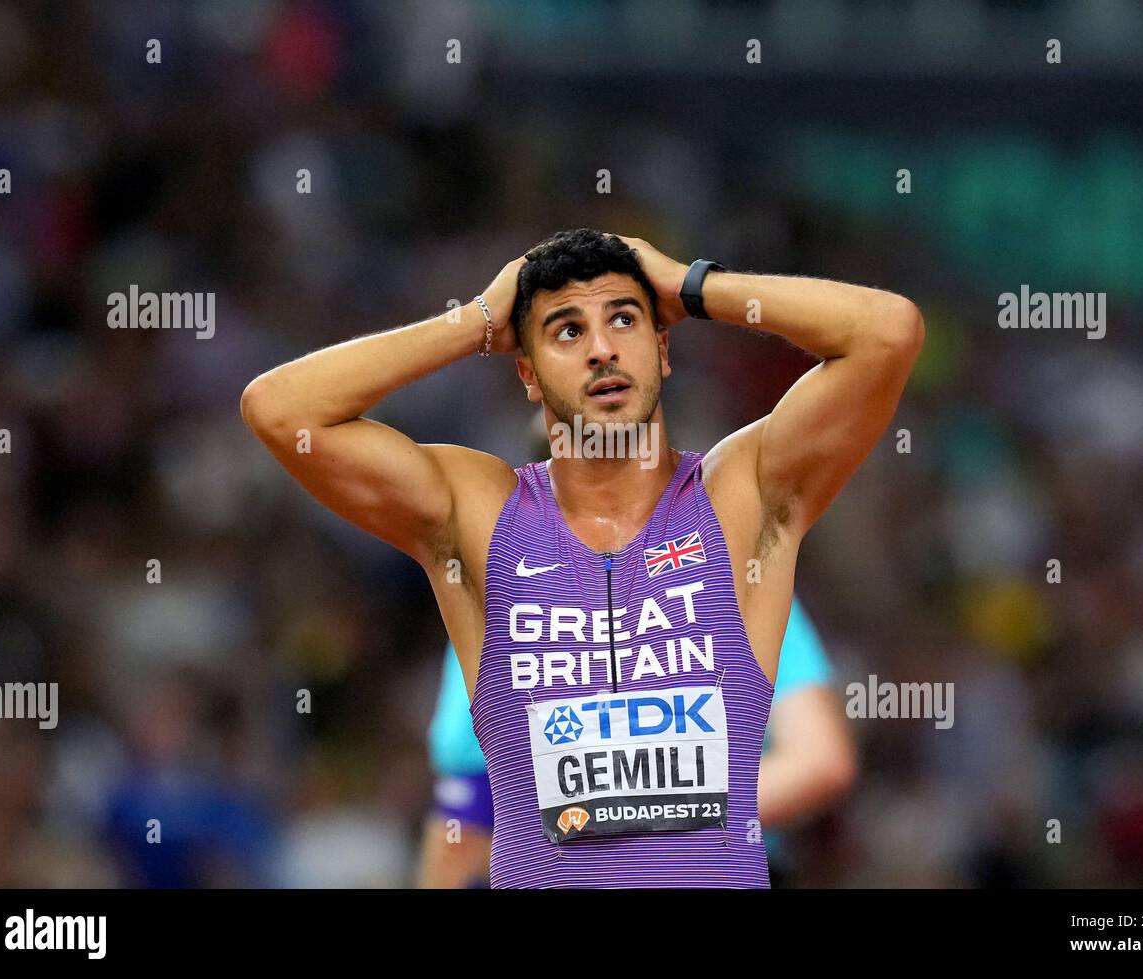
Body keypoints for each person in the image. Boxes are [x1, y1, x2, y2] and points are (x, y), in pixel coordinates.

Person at [242, 228, 922, 887]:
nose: (601, 348)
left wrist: (691, 286)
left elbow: (888, 331)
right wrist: (475, 321)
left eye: (624, 320)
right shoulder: (475, 514)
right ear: (528, 375)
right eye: (566, 330)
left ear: (663, 349)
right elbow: (279, 409)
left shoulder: (742, 498)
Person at [417, 594, 856, 888]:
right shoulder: (741, 572)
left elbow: (821, 760)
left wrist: (615, 816)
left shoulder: (505, 603)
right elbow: (469, 808)